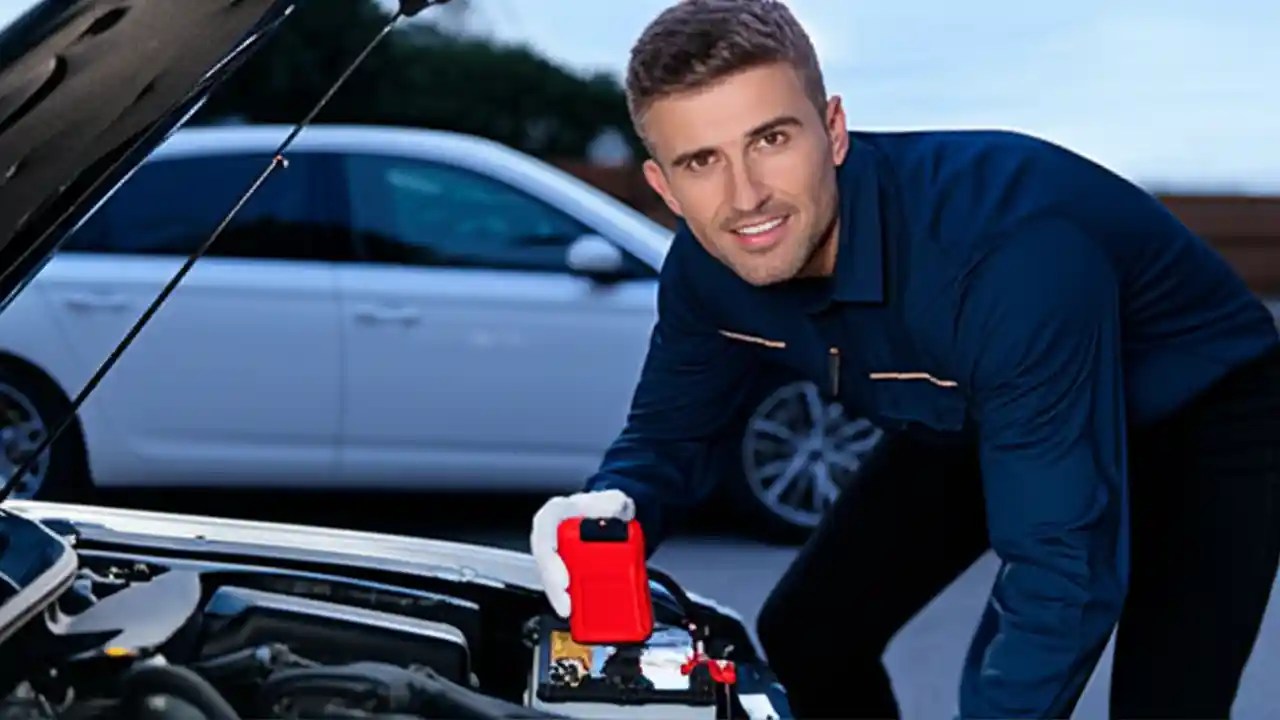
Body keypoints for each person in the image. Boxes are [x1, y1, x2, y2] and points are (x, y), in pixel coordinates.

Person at [528, 0, 1280, 717]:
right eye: (701, 161)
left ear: (834, 131)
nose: (746, 196)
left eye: (771, 140)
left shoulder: (1008, 259)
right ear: (664, 186)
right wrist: (612, 506)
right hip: (979, 401)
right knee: (810, 632)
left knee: (1162, 700)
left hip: (1204, 413)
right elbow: (668, 438)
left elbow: (1061, 573)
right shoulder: (707, 268)